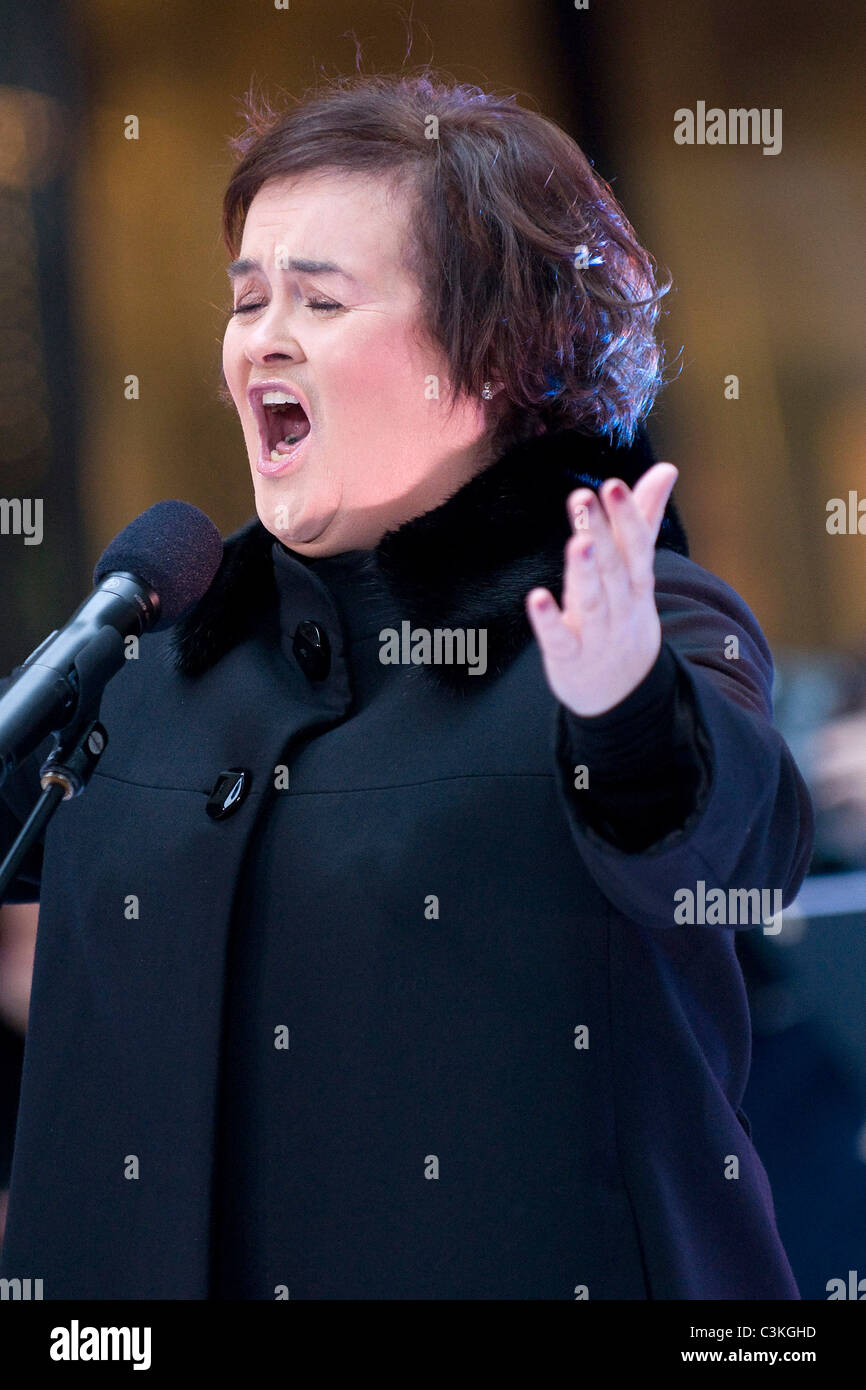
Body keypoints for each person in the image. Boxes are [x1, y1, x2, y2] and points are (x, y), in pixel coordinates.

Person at [0, 70, 812, 1300]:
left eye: (318, 300)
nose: (262, 335)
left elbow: (727, 849)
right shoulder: (158, 649)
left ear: (492, 353)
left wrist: (625, 702)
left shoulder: (625, 622)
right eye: (247, 296)